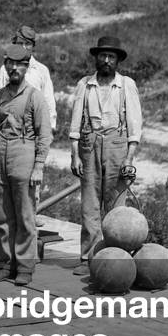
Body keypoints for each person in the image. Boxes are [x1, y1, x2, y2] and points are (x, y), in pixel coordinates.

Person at [68, 36, 143, 276]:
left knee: (116, 204)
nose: (107, 61)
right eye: (103, 56)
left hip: (117, 145)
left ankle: (115, 255)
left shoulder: (126, 85)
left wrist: (129, 158)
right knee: (90, 203)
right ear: (96, 58)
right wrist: (74, 155)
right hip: (89, 145)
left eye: (111, 57)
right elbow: (74, 123)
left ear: (118, 60)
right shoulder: (85, 84)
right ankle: (87, 256)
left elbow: (134, 124)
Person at [0, 44, 53, 286]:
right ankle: (8, 263)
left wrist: (39, 166)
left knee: (25, 215)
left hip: (25, 152)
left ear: (26, 67)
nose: (13, 68)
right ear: (5, 66)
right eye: (9, 64)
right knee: (3, 214)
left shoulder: (35, 96)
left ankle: (25, 266)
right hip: (0, 154)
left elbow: (45, 134)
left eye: (19, 64)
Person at [0, 25, 57, 131]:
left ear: (33, 46)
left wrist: (51, 125)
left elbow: (48, 100)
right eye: (20, 44)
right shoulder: (5, 69)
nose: (24, 47)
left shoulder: (41, 70)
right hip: (9, 126)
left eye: (27, 44)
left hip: (34, 126)